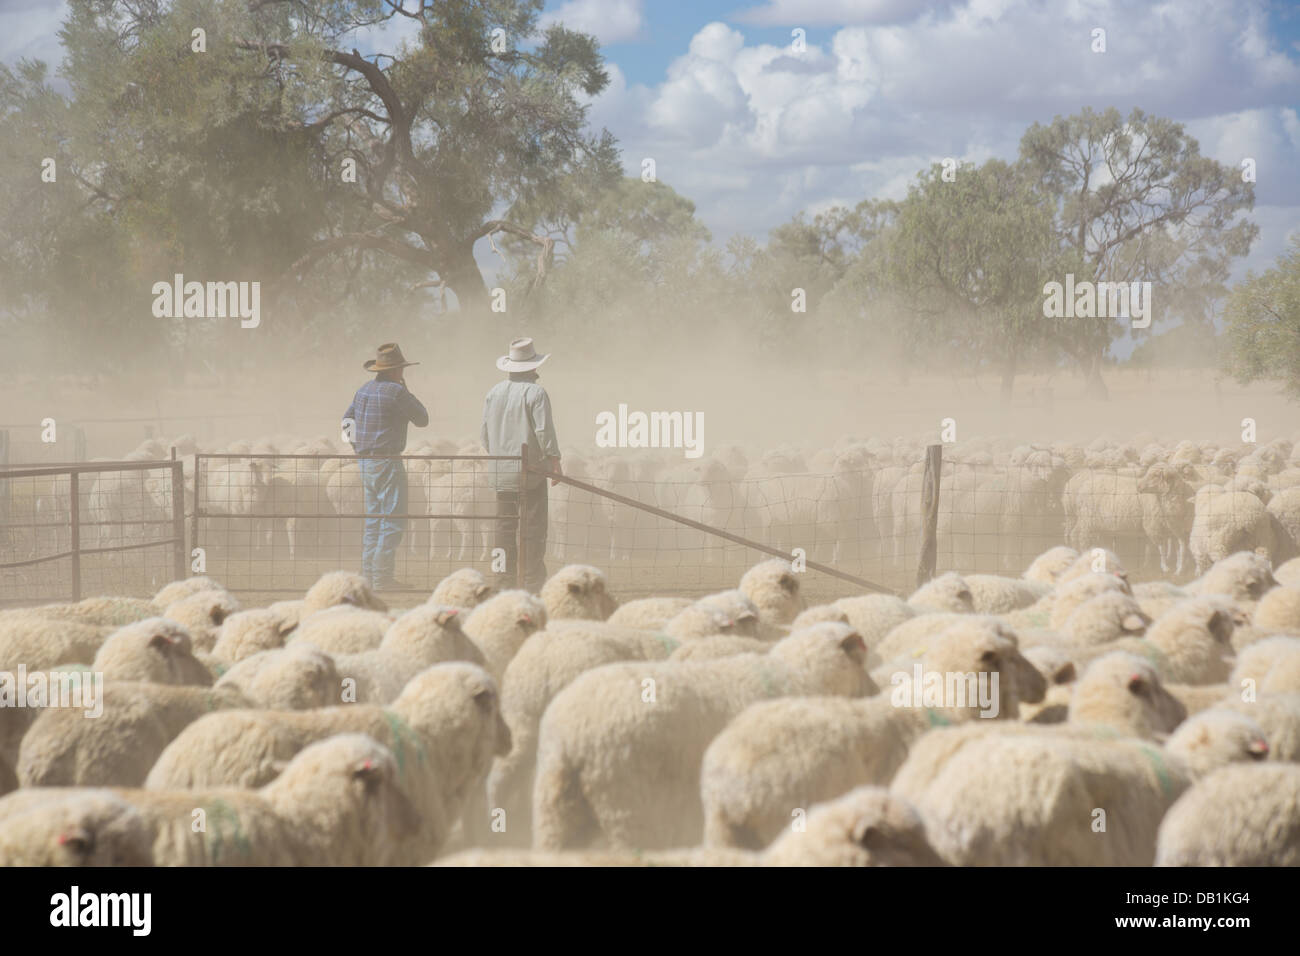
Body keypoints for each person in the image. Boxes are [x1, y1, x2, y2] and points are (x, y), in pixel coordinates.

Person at [343, 343, 429, 590]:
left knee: (374, 519)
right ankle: (382, 577)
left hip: (366, 462)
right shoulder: (396, 392)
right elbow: (422, 419)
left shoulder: (362, 391)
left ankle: (368, 575)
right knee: (392, 519)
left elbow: (346, 420)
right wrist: (406, 391)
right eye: (401, 369)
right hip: (388, 461)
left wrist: (356, 447)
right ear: (395, 370)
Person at [480, 337, 561, 591]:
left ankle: (504, 580)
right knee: (533, 528)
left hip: (500, 471)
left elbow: (484, 433)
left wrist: (498, 455)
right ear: (533, 367)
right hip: (530, 473)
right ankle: (531, 581)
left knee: (504, 528)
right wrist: (554, 460)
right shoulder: (536, 393)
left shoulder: (493, 392)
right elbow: (543, 431)